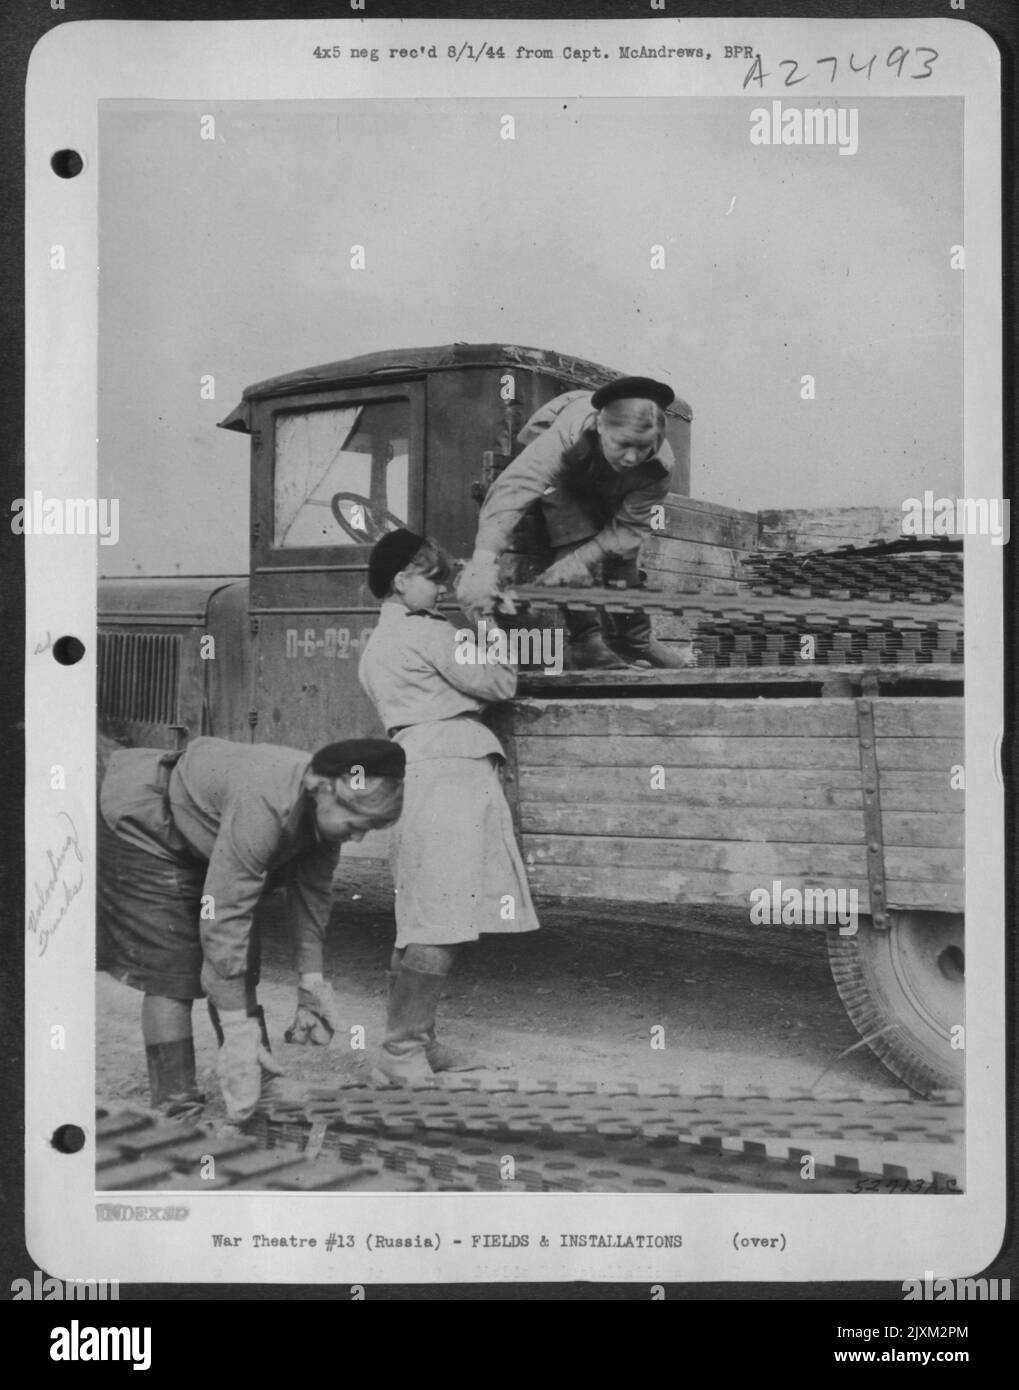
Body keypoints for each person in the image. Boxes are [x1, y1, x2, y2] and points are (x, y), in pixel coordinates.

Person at [97, 736, 405, 1122]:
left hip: (209, 832)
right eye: (357, 824)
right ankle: (177, 1108)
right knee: (172, 969)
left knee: (240, 962)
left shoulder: (321, 811)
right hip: (150, 822)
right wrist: (237, 1030)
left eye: (370, 829)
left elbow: (312, 899)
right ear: (325, 790)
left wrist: (311, 983)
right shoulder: (265, 803)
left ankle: (260, 1080)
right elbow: (225, 920)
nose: (358, 837)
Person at [358, 528, 540, 1085]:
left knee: (421, 916)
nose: (440, 589)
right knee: (442, 920)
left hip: (420, 768)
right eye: (432, 579)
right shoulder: (430, 634)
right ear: (401, 581)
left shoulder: (379, 642)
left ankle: (417, 1042)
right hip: (449, 771)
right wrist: (486, 620)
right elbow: (502, 682)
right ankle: (401, 1051)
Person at [456, 375, 696, 669]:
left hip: (609, 485)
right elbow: (516, 487)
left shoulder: (660, 466)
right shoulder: (568, 433)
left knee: (624, 558)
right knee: (573, 528)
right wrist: (484, 560)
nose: (631, 457)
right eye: (622, 444)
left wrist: (581, 561)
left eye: (642, 446)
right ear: (600, 425)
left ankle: (636, 641)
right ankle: (587, 641)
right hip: (567, 473)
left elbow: (629, 529)